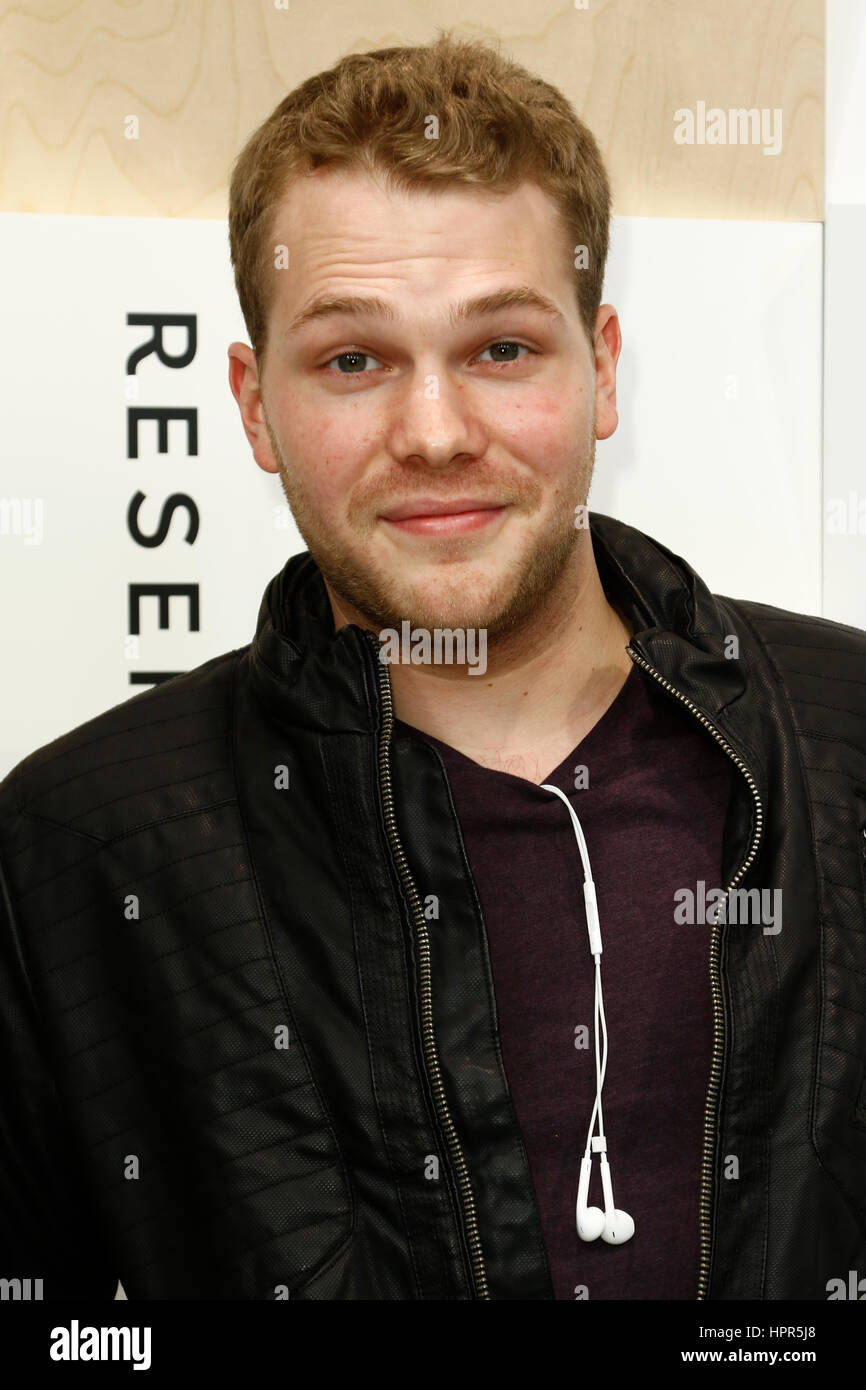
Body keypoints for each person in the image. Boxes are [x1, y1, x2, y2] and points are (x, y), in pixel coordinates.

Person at [1, 30, 864, 1303]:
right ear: (250, 405)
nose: (433, 433)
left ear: (601, 369)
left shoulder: (845, 741)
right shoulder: (77, 847)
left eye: (500, 349)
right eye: (353, 360)